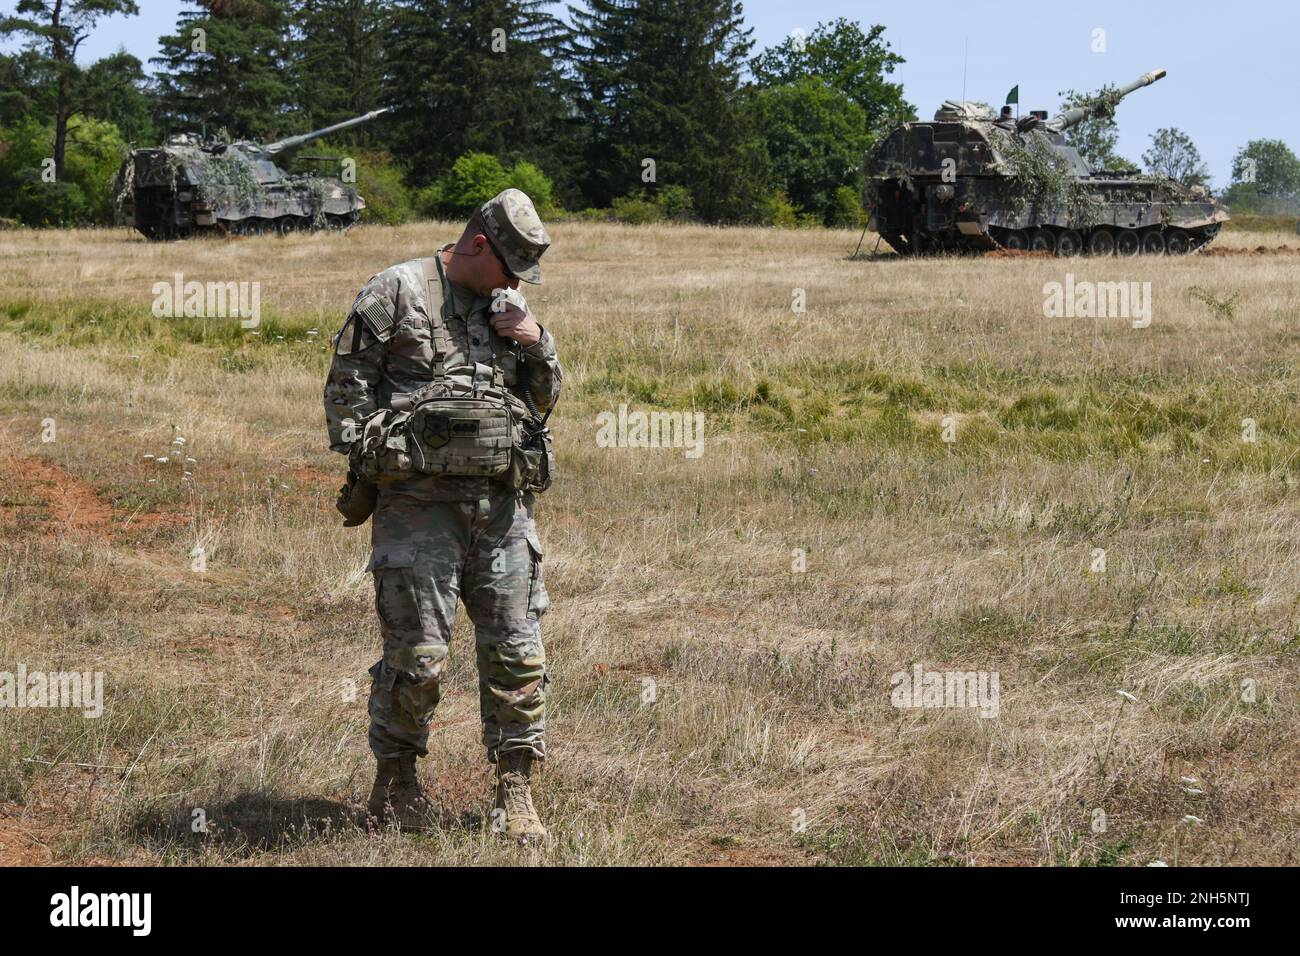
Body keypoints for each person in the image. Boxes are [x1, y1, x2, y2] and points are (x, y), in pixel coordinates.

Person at [323, 189, 561, 842]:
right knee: (417, 657)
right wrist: (409, 446)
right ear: (478, 246)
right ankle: (395, 784)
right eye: (509, 268)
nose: (513, 284)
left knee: (518, 653)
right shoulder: (395, 292)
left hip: (502, 508)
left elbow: (544, 403)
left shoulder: (509, 309)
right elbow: (345, 402)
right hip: (417, 510)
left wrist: (533, 339)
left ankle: (515, 789)